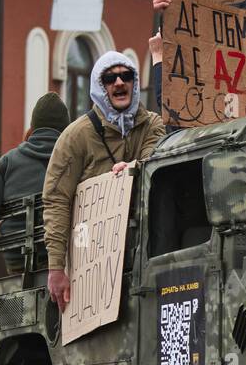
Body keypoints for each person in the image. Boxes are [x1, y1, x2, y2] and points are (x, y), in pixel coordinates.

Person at [43, 52, 169, 312]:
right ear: (100, 87)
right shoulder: (76, 136)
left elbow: (153, 162)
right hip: (90, 253)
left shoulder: (153, 125)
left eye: (127, 76)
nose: (119, 83)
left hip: (143, 248)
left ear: (135, 82)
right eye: (110, 78)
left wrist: (133, 169)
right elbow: (57, 199)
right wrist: (56, 267)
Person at [0, 93, 72, 270]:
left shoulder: (7, 163)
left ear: (33, 127)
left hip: (17, 262)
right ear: (66, 129)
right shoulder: (74, 162)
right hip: (62, 263)